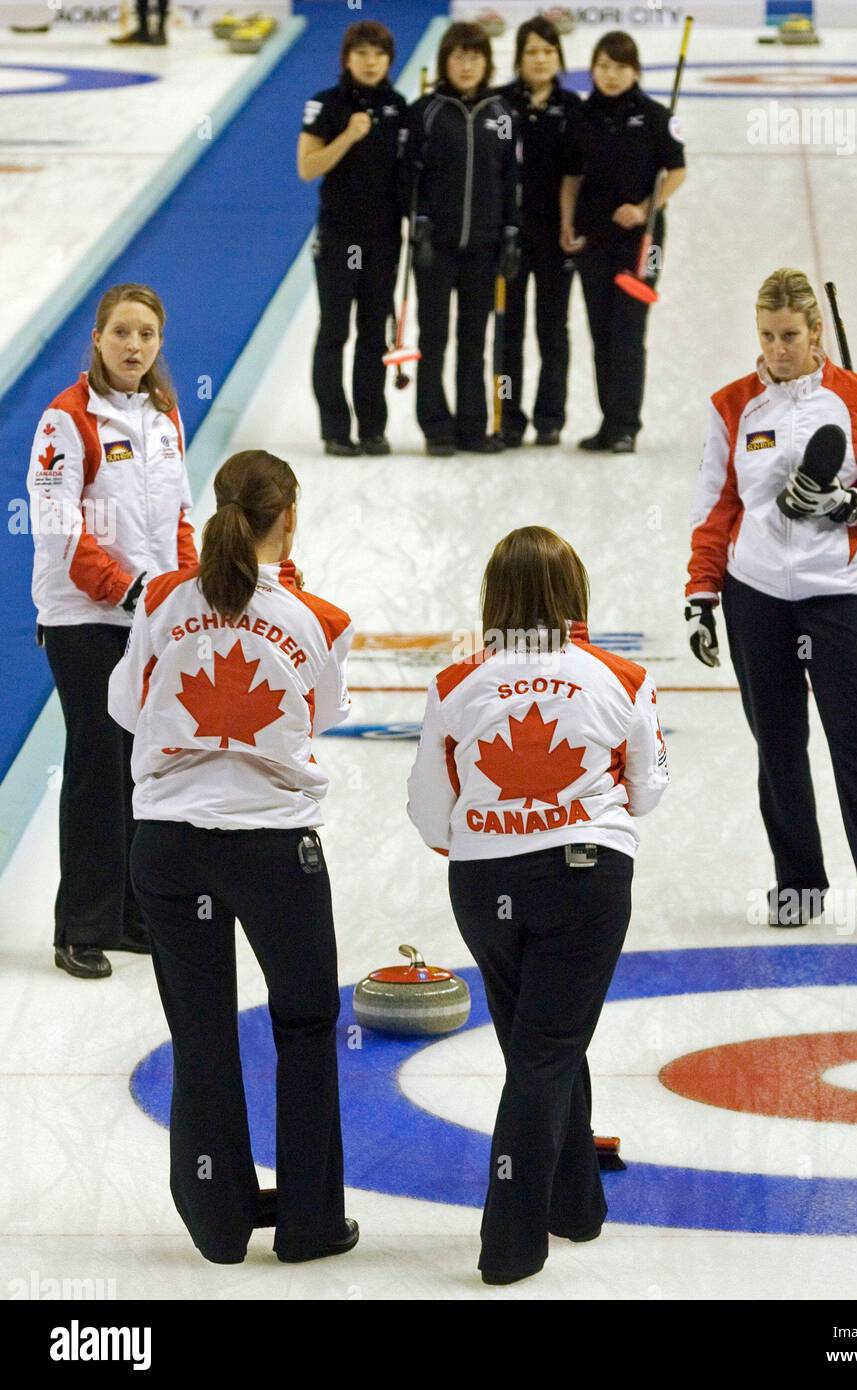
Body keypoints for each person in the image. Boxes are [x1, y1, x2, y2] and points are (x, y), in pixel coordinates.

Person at [108, 449, 358, 1265]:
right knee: (308, 1021)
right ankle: (311, 1222)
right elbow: (320, 712)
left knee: (203, 1028)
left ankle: (217, 1221)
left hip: (171, 846)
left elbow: (123, 703)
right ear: (289, 518)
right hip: (274, 847)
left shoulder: (159, 598)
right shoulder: (318, 618)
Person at [407, 526, 668, 1284]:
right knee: (545, 1054)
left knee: (540, 1042)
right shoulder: (619, 676)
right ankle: (510, 1243)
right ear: (573, 595)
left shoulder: (455, 684)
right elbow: (646, 794)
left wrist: (492, 839)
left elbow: (430, 811)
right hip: (583, 881)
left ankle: (574, 1204)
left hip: (484, 887)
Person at [684, 267, 857, 937]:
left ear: (815, 332)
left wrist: (847, 504)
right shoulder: (732, 405)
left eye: (789, 336)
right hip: (757, 595)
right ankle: (799, 886)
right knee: (778, 748)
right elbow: (716, 505)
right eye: (767, 336)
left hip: (839, 594)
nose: (777, 349)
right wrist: (700, 592)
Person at [27, 283, 197, 980]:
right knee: (98, 766)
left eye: (147, 335)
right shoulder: (66, 420)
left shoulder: (163, 412)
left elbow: (180, 512)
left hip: (150, 617)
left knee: (140, 766)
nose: (134, 346)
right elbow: (60, 526)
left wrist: (186, 584)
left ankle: (129, 915)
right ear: (96, 338)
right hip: (86, 620)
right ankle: (81, 925)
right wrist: (128, 587)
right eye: (122, 333)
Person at [560, 30, 686, 453]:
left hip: (643, 240)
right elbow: (571, 175)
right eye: (603, 66)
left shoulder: (654, 115)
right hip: (594, 236)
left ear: (635, 71)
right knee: (601, 332)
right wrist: (567, 222)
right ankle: (608, 422)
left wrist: (644, 208)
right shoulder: (581, 116)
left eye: (620, 67)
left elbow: (677, 171)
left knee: (629, 331)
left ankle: (626, 425)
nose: (611, 75)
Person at [404, 21, 520, 456]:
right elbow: (409, 177)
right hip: (435, 248)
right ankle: (436, 427)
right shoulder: (426, 112)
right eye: (458, 57)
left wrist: (511, 235)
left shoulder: (502, 115)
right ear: (445, 62)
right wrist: (419, 223)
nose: (467, 66)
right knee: (433, 337)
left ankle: (472, 427)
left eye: (475, 57)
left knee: (475, 339)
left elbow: (512, 178)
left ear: (487, 63)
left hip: (484, 249)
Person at [298, 20, 408, 457]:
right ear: (347, 58)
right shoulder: (324, 104)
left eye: (379, 54)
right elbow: (308, 167)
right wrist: (349, 135)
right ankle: (334, 428)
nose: (370, 61)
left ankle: (372, 427)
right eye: (362, 53)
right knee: (334, 330)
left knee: (373, 335)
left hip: (384, 239)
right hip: (340, 237)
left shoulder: (400, 107)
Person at [494, 16, 581, 448]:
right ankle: (508, 415)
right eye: (532, 52)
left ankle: (550, 417)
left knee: (552, 330)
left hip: (554, 238)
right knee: (508, 331)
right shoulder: (499, 104)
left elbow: (584, 173)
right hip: (508, 236)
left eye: (548, 51)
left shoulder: (573, 107)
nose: (541, 59)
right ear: (519, 58)